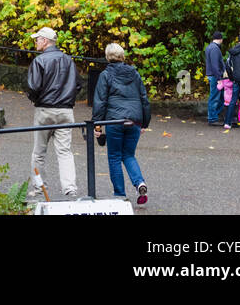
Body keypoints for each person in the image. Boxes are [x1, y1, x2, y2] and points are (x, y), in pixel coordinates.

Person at [92, 42, 151, 206]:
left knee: (114, 157)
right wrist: (144, 122)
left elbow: (100, 102)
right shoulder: (135, 73)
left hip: (115, 121)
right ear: (123, 56)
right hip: (134, 121)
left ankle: (119, 194)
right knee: (129, 155)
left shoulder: (105, 75)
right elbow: (144, 99)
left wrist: (97, 125)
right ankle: (140, 182)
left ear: (107, 57)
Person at [26, 26, 79, 200]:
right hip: (66, 111)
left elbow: (33, 87)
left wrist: (34, 99)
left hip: (45, 110)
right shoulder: (68, 60)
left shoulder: (39, 61)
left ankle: (39, 187)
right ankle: (70, 188)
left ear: (45, 41)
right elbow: (78, 85)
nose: (36, 42)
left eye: (37, 39)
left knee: (39, 152)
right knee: (64, 151)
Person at [204, 30, 226, 125]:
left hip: (213, 76)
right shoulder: (215, 49)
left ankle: (214, 116)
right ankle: (212, 118)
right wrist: (219, 79)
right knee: (215, 97)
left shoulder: (209, 47)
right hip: (215, 77)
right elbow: (215, 65)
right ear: (220, 39)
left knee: (220, 97)